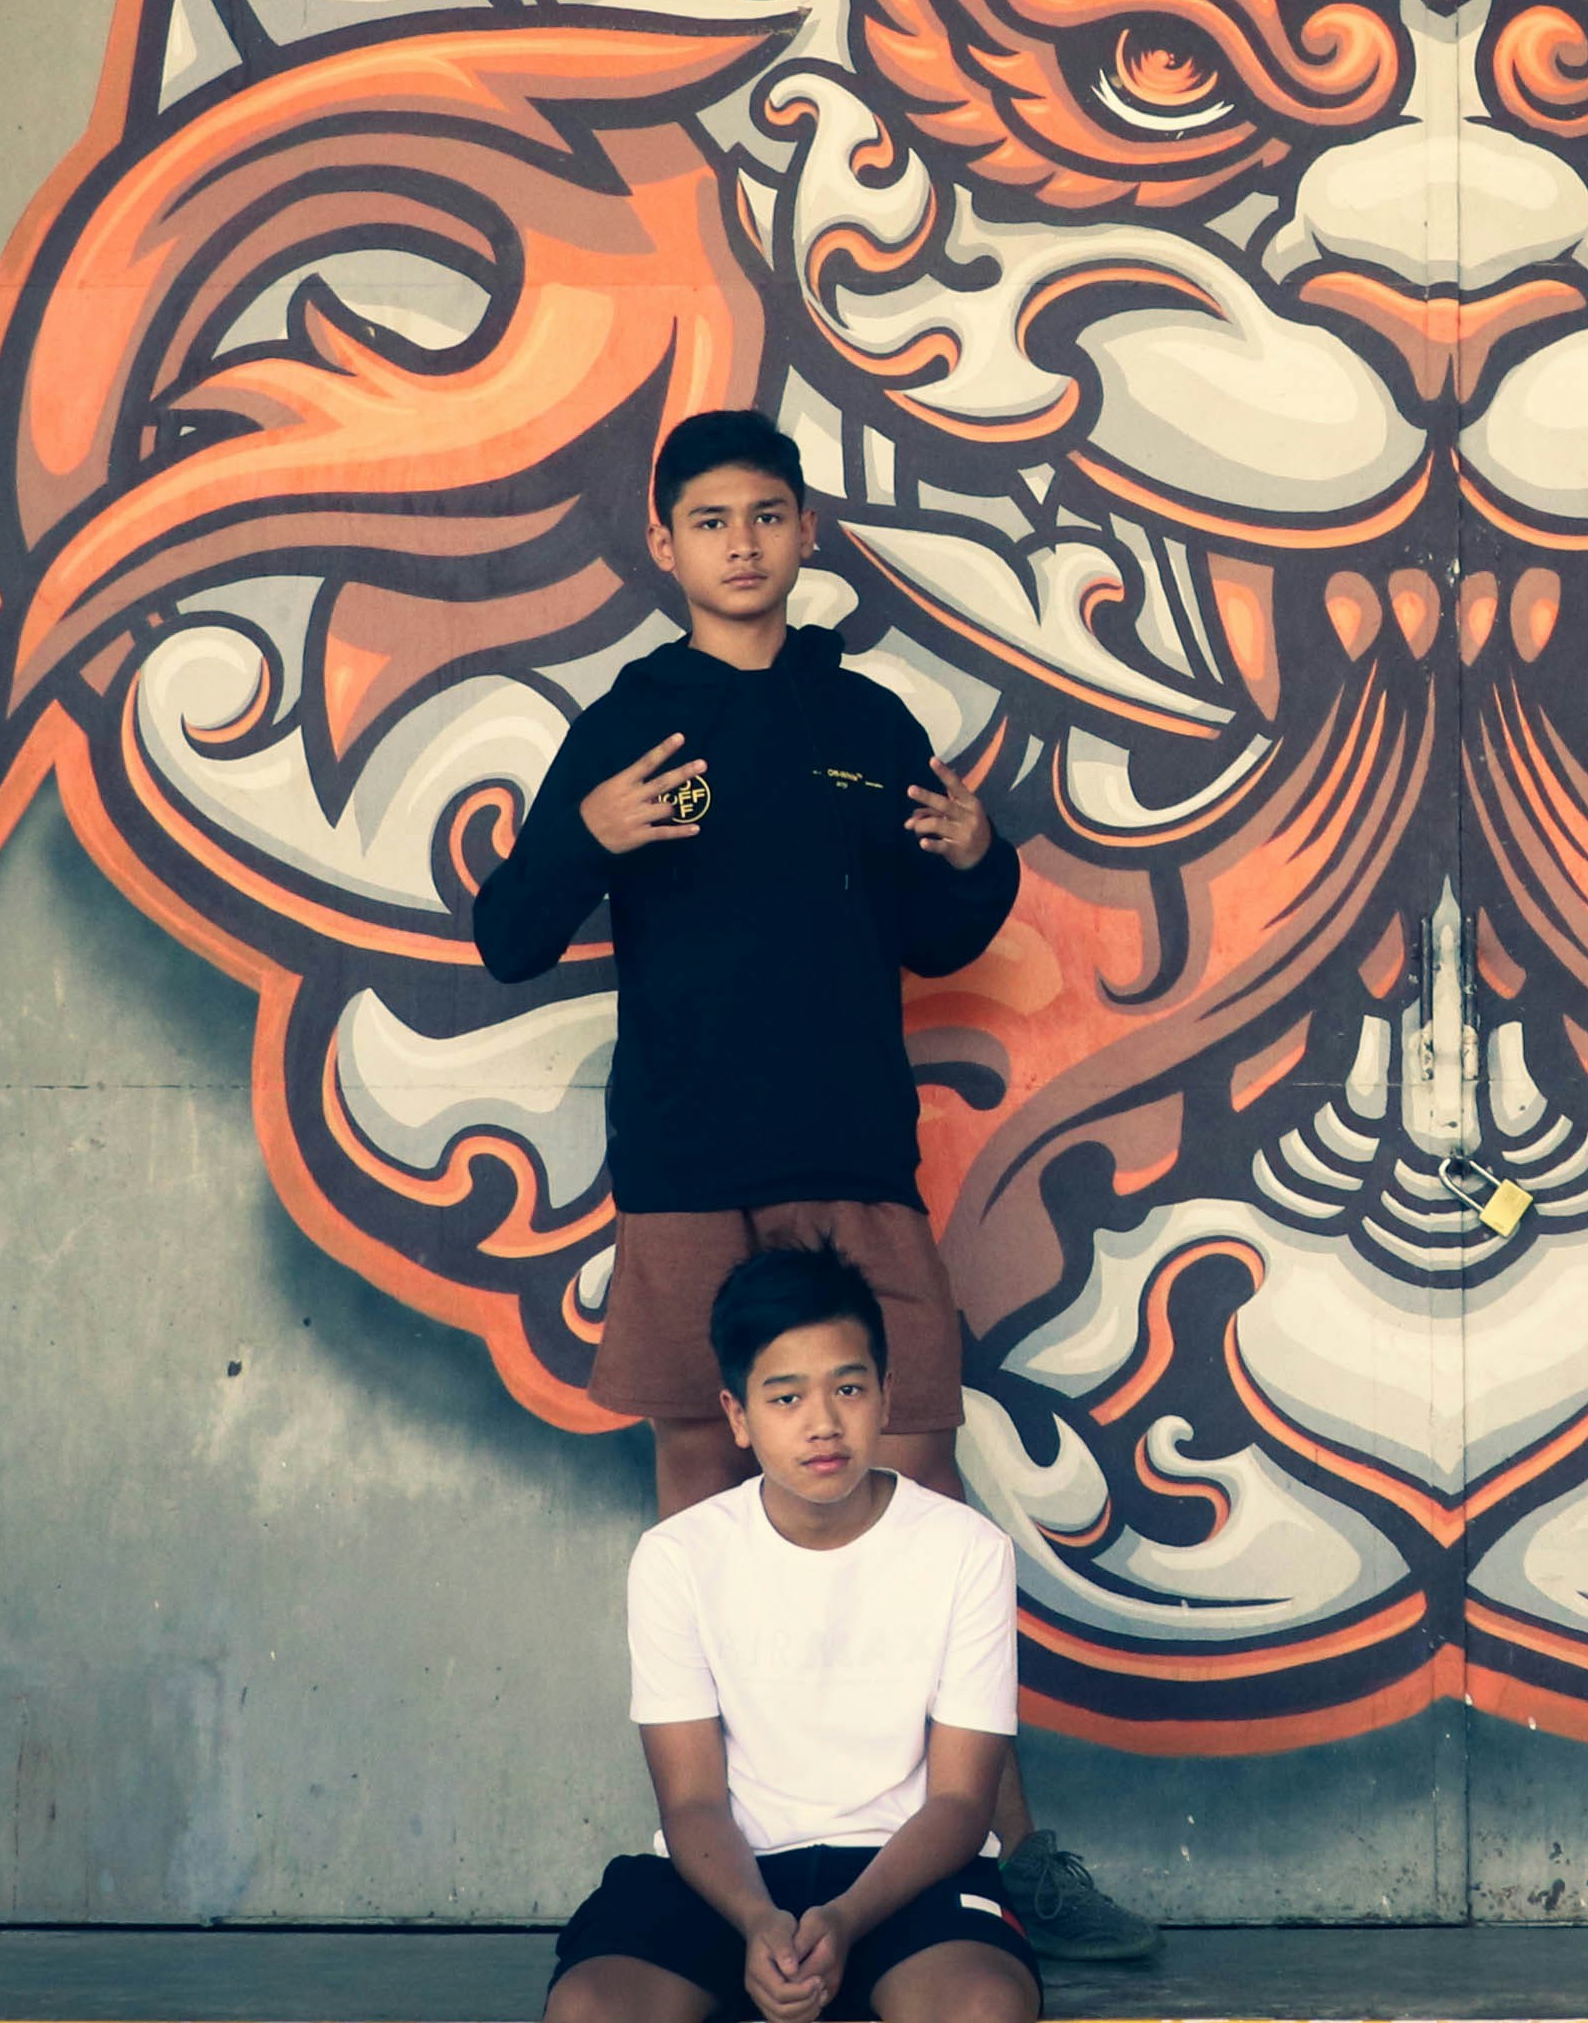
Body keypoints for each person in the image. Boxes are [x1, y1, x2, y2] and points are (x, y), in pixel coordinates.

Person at [478, 407, 1155, 1963]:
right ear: (665, 544)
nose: (742, 542)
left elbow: (941, 931)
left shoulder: (865, 719)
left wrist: (980, 854)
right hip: (686, 1169)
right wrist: (589, 836)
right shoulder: (630, 723)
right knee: (704, 1526)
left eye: (767, 514)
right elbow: (509, 933)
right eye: (710, 519)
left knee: (923, 1504)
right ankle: (716, 1869)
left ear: (803, 532)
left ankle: (1009, 1857)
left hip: (854, 1157)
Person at [545, 1245, 1036, 2023]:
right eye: (785, 1398)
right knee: (588, 2010)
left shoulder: (968, 1550)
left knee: (983, 2008)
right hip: (727, 1879)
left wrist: (844, 1918)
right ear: (738, 1416)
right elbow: (692, 1800)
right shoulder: (678, 1557)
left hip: (903, 1876)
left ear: (887, 1396)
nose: (823, 1424)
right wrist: (756, 1921)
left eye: (849, 1388)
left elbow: (959, 1802)